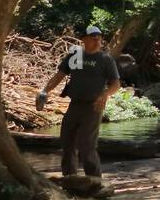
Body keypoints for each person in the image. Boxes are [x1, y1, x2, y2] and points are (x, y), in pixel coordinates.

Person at [38, 25, 120, 179]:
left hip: (93, 107)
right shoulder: (75, 56)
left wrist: (105, 95)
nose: (97, 41)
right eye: (93, 38)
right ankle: (70, 178)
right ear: (84, 40)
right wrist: (44, 91)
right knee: (67, 142)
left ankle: (95, 179)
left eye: (99, 38)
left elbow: (116, 84)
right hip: (74, 105)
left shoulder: (105, 59)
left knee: (87, 145)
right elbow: (59, 75)